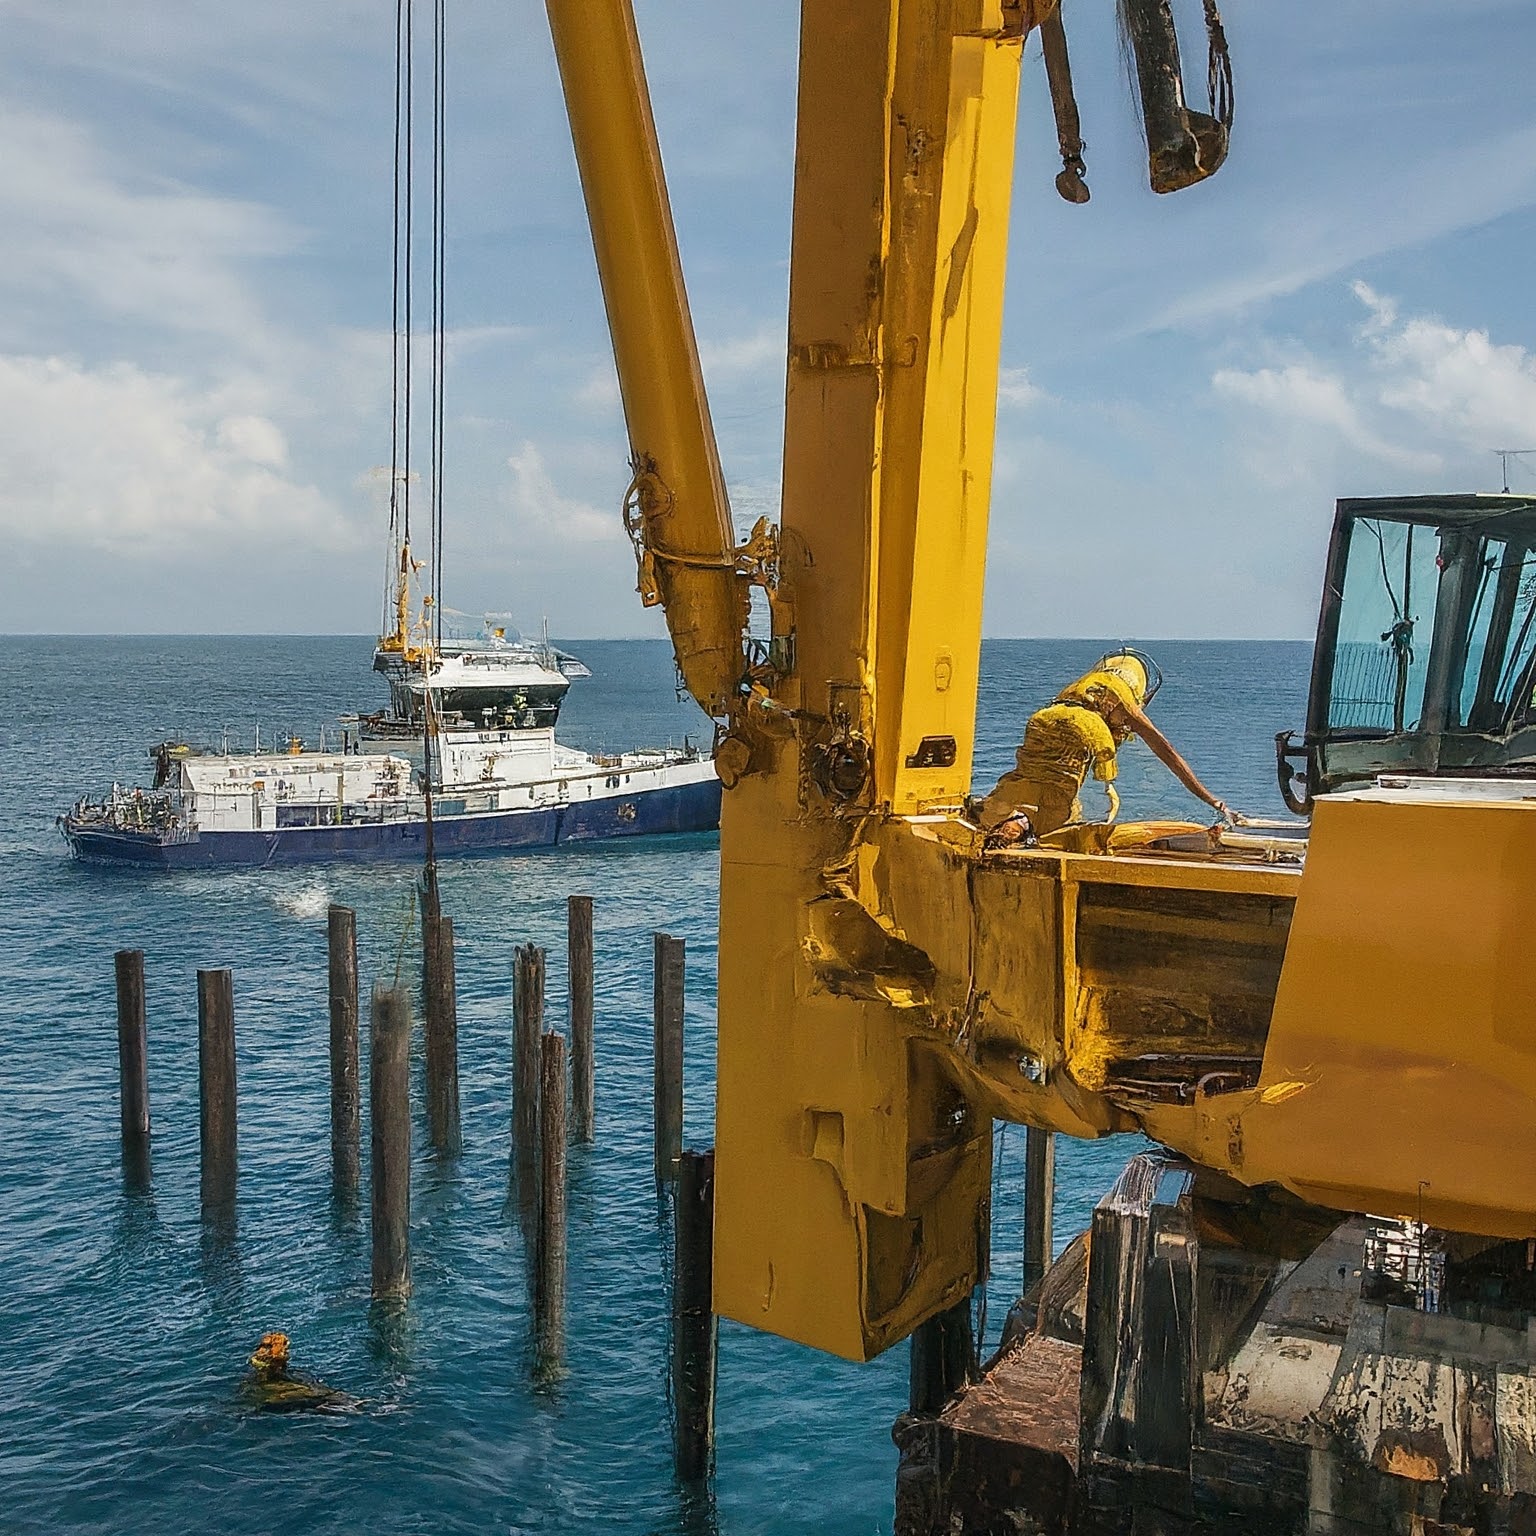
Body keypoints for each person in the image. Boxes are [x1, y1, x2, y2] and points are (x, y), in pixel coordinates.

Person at [977, 651, 1229, 843]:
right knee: (1057, 805)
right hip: (1084, 733)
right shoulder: (1126, 704)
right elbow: (1169, 755)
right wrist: (1211, 799)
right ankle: (1015, 829)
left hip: (1042, 723)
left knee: (1025, 781)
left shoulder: (1083, 687)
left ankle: (999, 818)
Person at [242, 1332, 352, 1414]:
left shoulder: (261, 1368)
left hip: (279, 1395)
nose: (288, 1352)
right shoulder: (273, 1370)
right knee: (324, 1395)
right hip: (280, 1396)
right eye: (286, 1349)